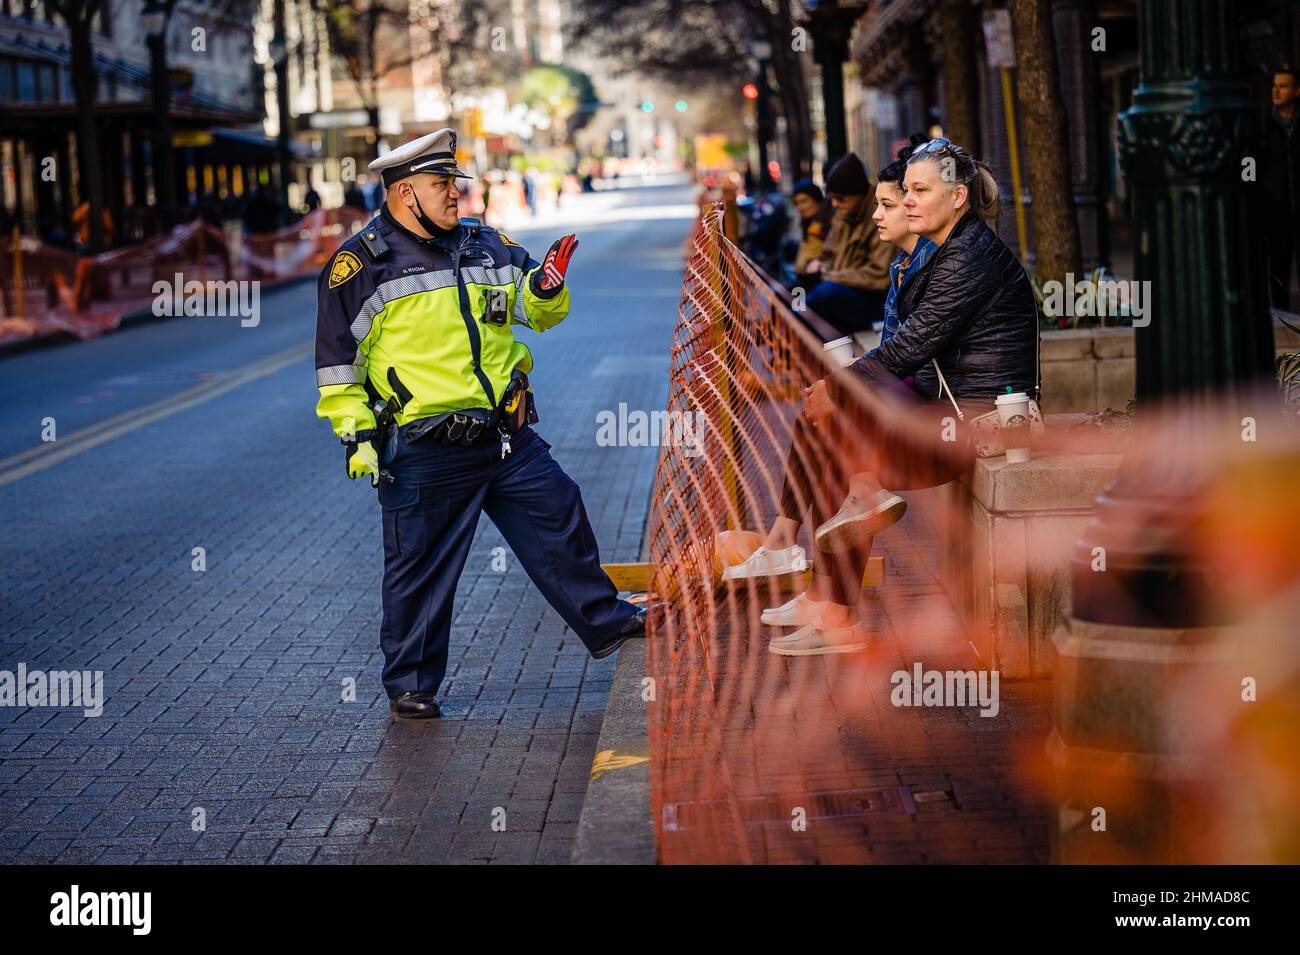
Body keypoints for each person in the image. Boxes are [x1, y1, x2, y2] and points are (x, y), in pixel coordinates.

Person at [313, 129, 645, 719]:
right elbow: (339, 366)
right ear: (403, 191)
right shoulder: (360, 266)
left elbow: (535, 313)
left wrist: (545, 288)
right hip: (424, 446)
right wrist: (356, 434)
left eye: (453, 185)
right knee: (419, 570)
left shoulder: (486, 245)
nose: (454, 196)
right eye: (441, 186)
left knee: (557, 512)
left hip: (504, 435)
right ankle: (411, 684)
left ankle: (607, 622)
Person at [727, 139, 1038, 656]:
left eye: (919, 191)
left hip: (981, 423)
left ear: (958, 197)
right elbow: (906, 351)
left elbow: (911, 347)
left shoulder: (969, 258)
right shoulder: (943, 252)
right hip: (948, 410)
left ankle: (823, 593)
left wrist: (837, 388)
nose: (908, 201)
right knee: (832, 429)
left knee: (834, 424)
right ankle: (828, 600)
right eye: (906, 192)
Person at [803, 153, 893, 337]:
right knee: (797, 290)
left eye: (840, 198)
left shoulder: (879, 214)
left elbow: (879, 276)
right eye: (832, 198)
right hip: (842, 288)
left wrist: (829, 274)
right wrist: (821, 264)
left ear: (859, 194)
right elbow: (828, 253)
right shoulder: (843, 214)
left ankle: (789, 353)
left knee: (823, 296)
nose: (835, 204)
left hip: (874, 300)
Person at [1264, 67, 1300, 309]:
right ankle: (1282, 316)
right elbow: (1249, 161)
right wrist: (1252, 190)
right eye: (1275, 85)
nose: (1276, 91)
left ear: (1296, 91)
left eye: (1283, 86)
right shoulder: (1262, 125)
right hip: (1275, 210)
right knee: (1278, 267)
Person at [791, 179, 831, 288]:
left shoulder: (829, 223)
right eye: (797, 203)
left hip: (819, 281)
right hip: (804, 280)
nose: (801, 207)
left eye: (804, 201)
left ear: (816, 199)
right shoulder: (808, 222)